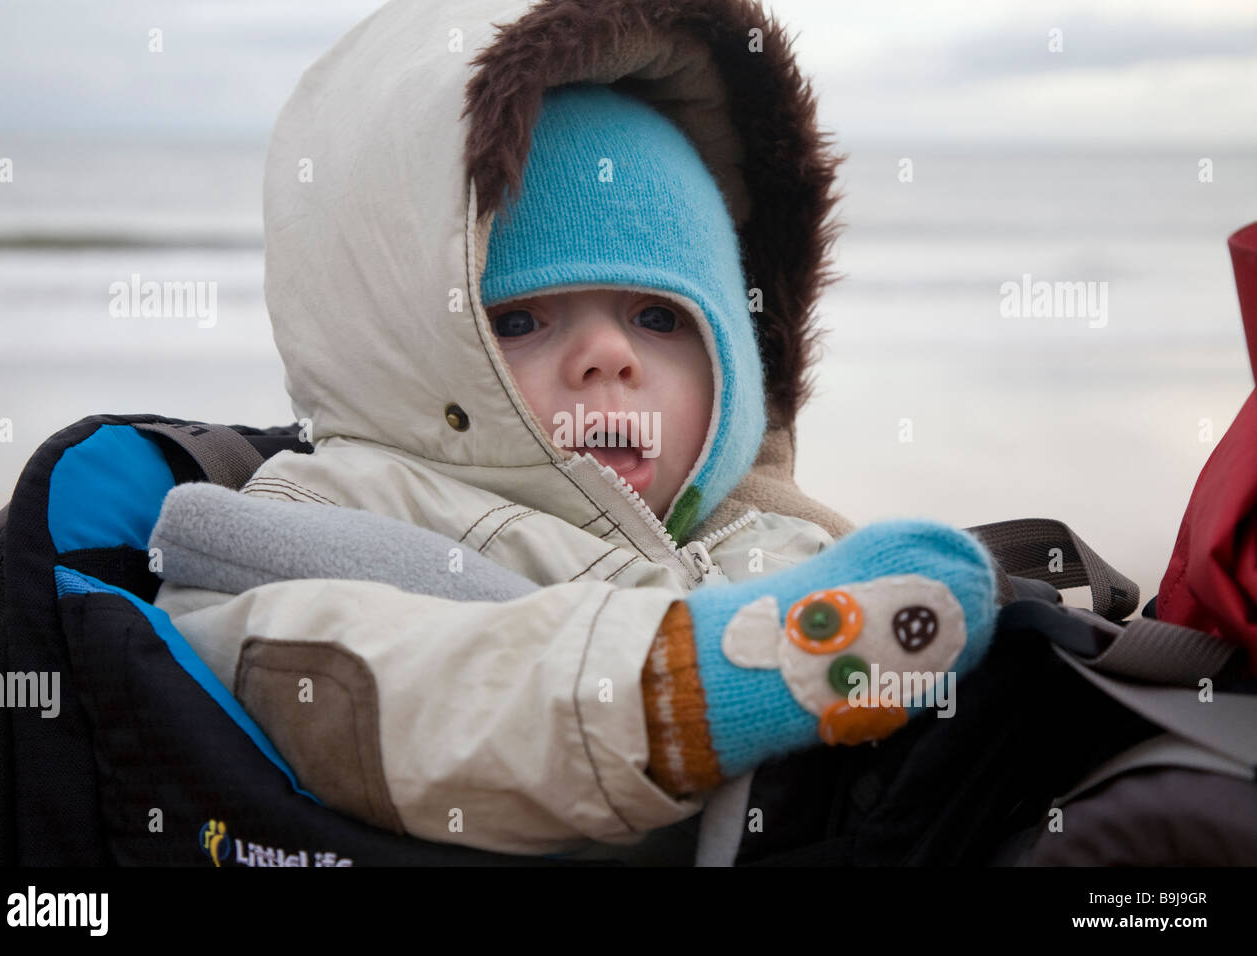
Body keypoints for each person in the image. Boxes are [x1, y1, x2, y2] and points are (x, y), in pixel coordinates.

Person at [151, 2, 1001, 860]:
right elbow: (389, 697)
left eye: (657, 318)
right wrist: (683, 690)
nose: (606, 356)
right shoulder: (327, 519)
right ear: (413, 351)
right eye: (520, 321)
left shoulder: (777, 544)